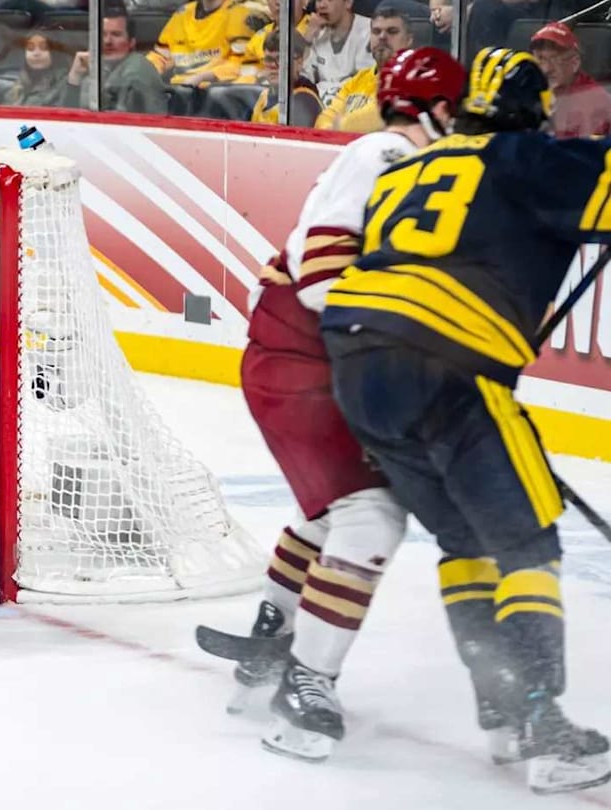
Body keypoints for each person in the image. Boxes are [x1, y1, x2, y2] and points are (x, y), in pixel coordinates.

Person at [321, 47, 611, 796]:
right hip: (451, 370)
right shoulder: (528, 159)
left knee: (465, 542)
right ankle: (545, 725)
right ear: (532, 112)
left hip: (356, 369)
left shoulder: (406, 171)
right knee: (526, 543)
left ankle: (503, 713)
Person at [209, 47, 467, 763]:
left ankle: (270, 639)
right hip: (303, 360)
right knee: (370, 515)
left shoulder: (404, 162)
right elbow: (324, 276)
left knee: (332, 509)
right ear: (437, 109)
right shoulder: (386, 154)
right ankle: (307, 684)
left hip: (309, 359)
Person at [316, 4, 413, 131]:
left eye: (392, 31)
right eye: (376, 32)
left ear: (409, 40)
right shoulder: (358, 80)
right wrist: (329, 130)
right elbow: (326, 117)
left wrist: (339, 127)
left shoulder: (412, 78)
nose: (382, 37)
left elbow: (380, 114)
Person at [67, 7, 166, 112]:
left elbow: (121, 123)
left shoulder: (136, 72)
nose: (107, 41)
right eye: (103, 34)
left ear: (131, 42)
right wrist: (74, 78)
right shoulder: (96, 67)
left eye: (116, 34)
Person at [530, 22, 611, 138]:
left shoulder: (592, 104)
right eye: (540, 58)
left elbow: (578, 153)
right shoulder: (529, 89)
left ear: (574, 63)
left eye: (555, 59)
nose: (546, 69)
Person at [301, 0, 373, 105]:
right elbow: (304, 78)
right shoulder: (317, 33)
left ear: (348, 2)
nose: (322, 5)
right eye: (318, 0)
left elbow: (365, 82)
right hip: (320, 108)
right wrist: (308, 37)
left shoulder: (371, 31)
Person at [5, 31, 72, 107]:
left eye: (44, 48)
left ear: (54, 53)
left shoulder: (65, 83)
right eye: (30, 48)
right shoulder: (20, 83)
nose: (36, 53)